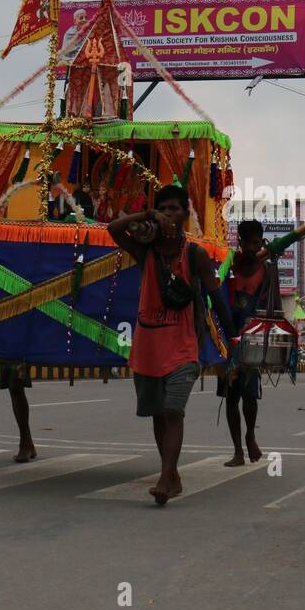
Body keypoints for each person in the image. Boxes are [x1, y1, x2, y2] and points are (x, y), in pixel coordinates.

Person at [109, 184, 236, 506]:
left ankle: (166, 478)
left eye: (174, 209)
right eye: (162, 209)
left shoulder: (195, 255)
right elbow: (113, 229)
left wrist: (231, 337)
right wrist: (146, 215)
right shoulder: (146, 251)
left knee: (172, 410)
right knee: (156, 414)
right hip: (148, 346)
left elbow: (216, 296)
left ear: (184, 215)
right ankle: (172, 473)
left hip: (183, 346)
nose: (168, 214)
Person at [217, 220, 279, 466]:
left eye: (258, 242)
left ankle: (251, 435)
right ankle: (237, 451)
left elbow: (271, 306)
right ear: (240, 242)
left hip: (252, 338)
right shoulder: (229, 264)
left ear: (262, 242)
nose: (254, 247)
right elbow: (217, 294)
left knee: (250, 396)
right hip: (229, 339)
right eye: (249, 242)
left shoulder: (266, 269)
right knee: (231, 397)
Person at [0, 360, 37, 462]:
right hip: (6, 350)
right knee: (12, 388)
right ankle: (28, 443)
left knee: (16, 387)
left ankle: (25, 444)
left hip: (20, 351)